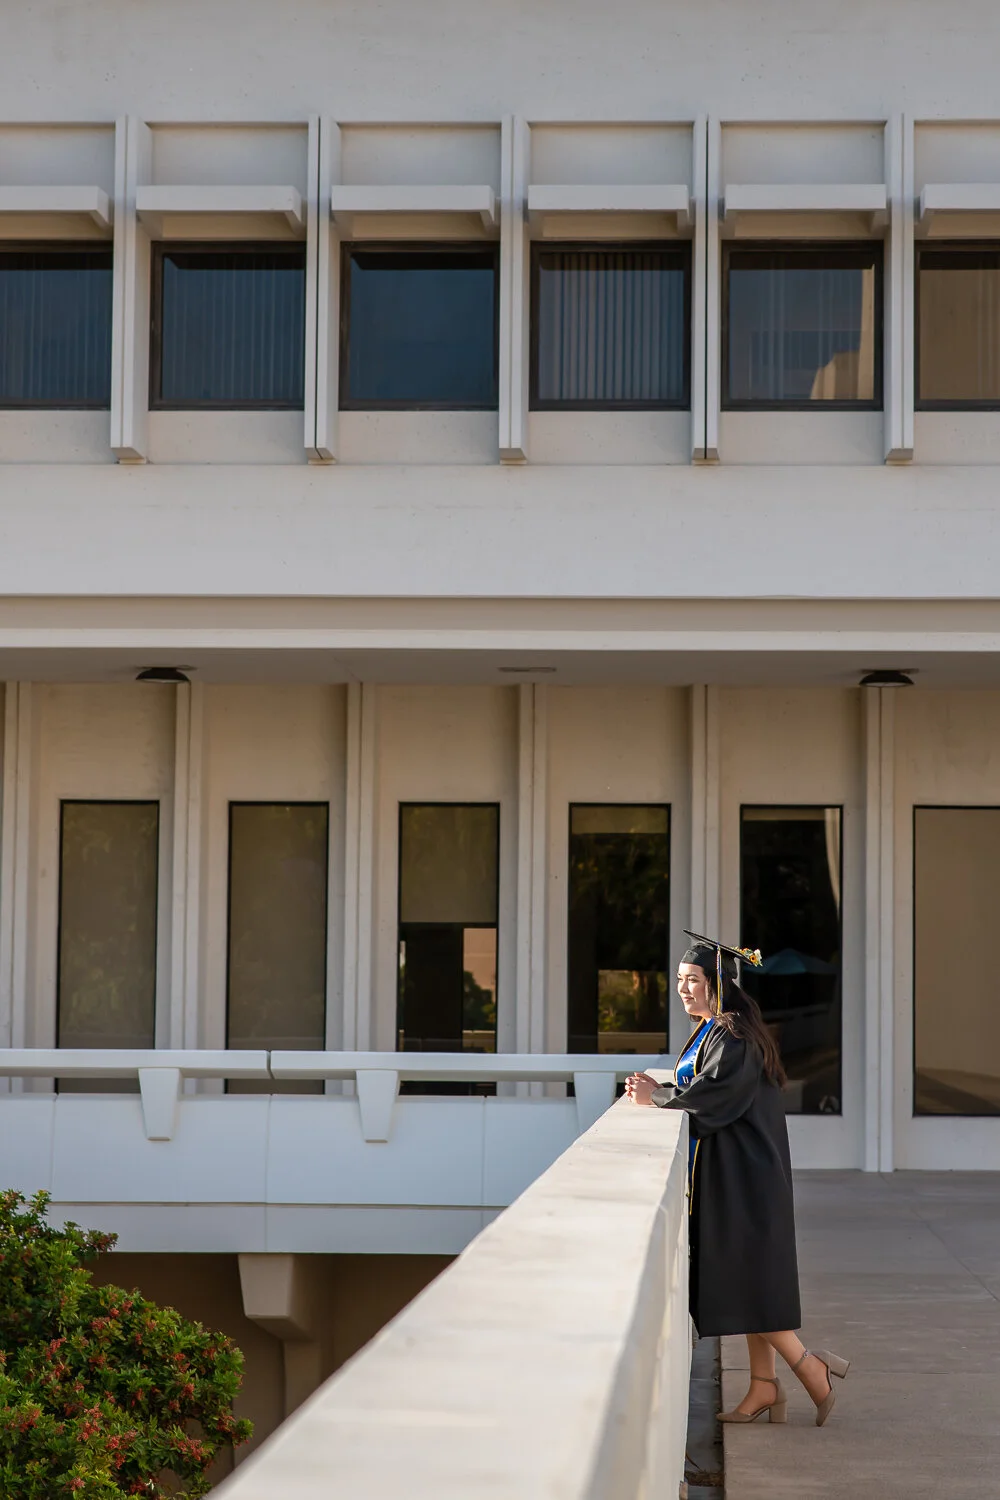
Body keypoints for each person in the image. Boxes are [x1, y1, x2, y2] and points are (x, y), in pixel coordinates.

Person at [624, 933, 850, 1427]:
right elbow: (701, 1086)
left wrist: (657, 1099)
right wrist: (660, 1089)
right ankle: (764, 1388)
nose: (683, 990)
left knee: (748, 1280)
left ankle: (811, 1367)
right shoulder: (714, 1030)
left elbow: (714, 1099)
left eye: (693, 981)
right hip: (736, 1172)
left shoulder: (735, 1037)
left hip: (748, 1177)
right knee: (754, 1280)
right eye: (680, 981)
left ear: (717, 984)